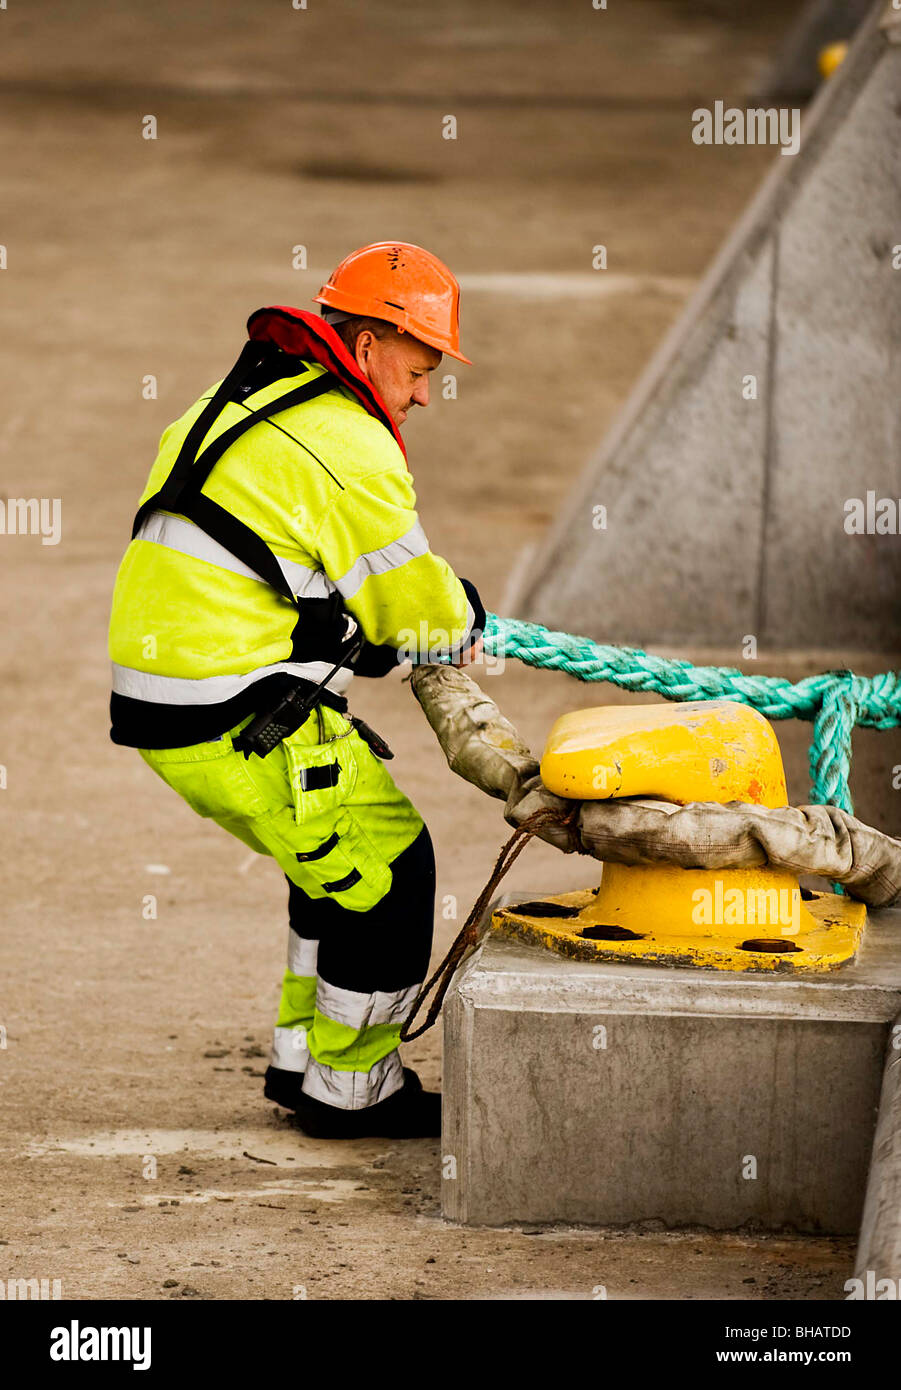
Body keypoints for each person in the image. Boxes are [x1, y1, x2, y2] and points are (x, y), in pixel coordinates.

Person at [108, 242, 484, 1138]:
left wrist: (335, 631)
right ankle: (351, 1089)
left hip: (171, 703)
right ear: (364, 343)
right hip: (237, 712)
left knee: (334, 872)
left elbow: (247, 559)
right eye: (420, 367)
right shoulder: (346, 445)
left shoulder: (234, 402)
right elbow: (418, 614)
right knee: (393, 872)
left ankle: (299, 1064)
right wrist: (459, 614)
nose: (427, 394)